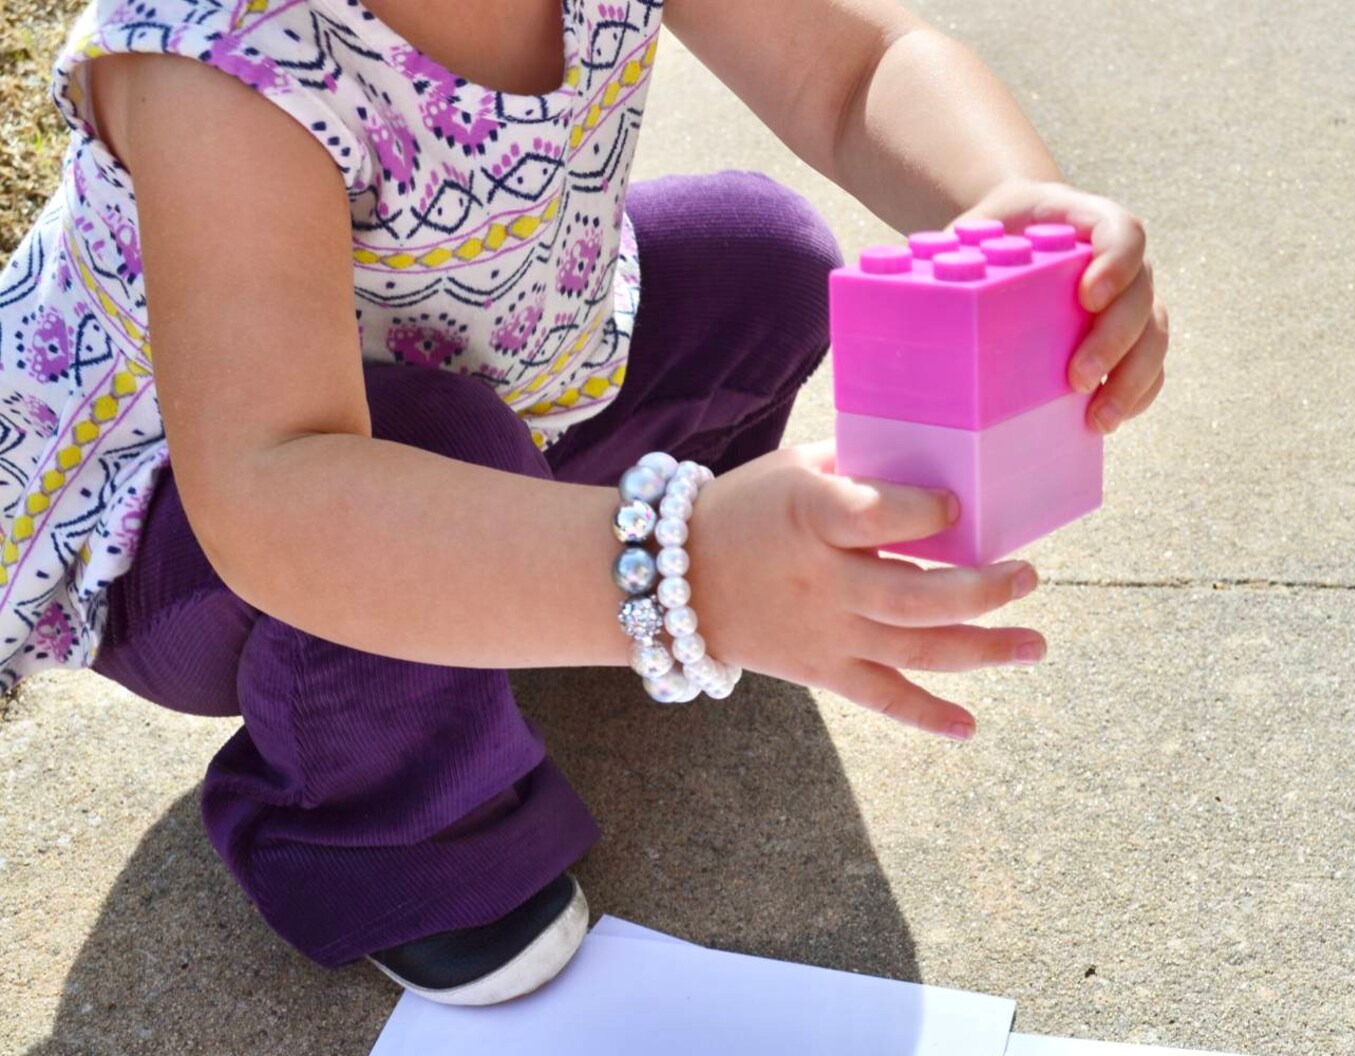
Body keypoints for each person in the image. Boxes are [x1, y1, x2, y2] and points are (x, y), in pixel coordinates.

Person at [0, 0, 1168, 1006]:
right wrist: (690, 571)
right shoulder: (224, 53)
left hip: (517, 366)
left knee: (760, 258)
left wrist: (1013, 198)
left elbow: (851, 69)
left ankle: (573, 578)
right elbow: (278, 487)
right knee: (441, 445)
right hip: (178, 521)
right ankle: (381, 831)